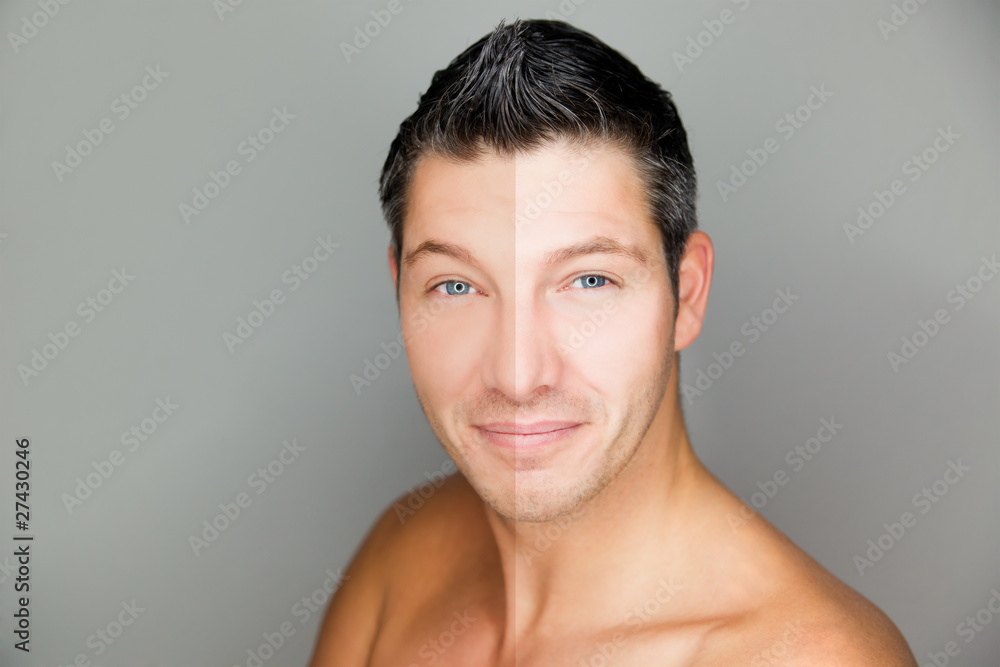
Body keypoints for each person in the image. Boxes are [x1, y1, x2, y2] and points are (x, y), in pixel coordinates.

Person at [310, 19, 916, 666]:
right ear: (400, 291)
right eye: (456, 285)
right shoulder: (400, 556)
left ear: (687, 293)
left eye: (589, 279)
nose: (518, 375)